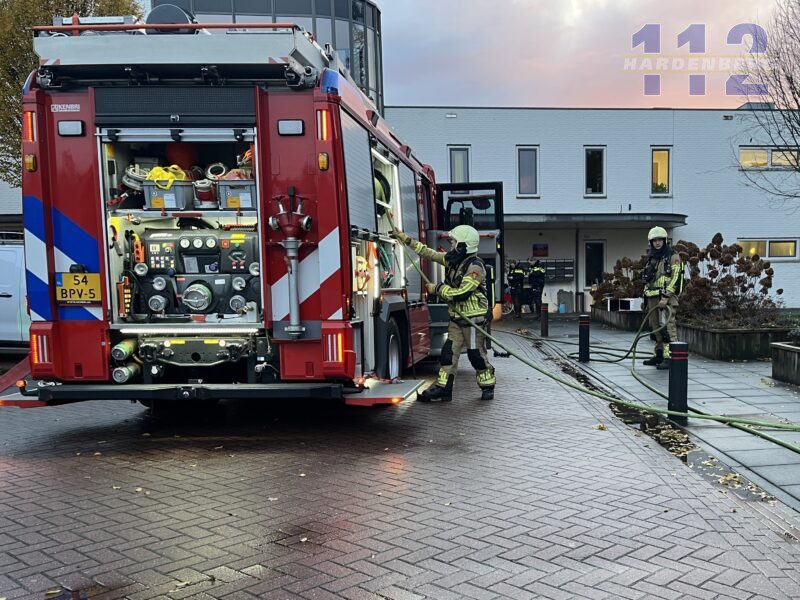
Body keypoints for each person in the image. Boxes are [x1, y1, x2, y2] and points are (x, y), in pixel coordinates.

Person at [391, 224, 496, 402]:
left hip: (473, 320)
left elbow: (462, 293)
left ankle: (487, 385)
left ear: (463, 245)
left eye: (454, 242)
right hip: (456, 318)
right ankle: (444, 389)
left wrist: (437, 289)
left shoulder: (475, 268)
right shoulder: (453, 260)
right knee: (448, 354)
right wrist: (405, 239)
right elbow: (428, 253)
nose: (451, 245)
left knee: (476, 354)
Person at [642, 226, 683, 370]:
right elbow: (649, 278)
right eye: (654, 240)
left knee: (667, 327)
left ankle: (669, 357)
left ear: (664, 241)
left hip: (666, 298)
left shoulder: (673, 256)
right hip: (652, 297)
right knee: (655, 327)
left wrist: (666, 297)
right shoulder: (652, 257)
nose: (657, 243)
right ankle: (659, 354)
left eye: (659, 240)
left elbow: (676, 277)